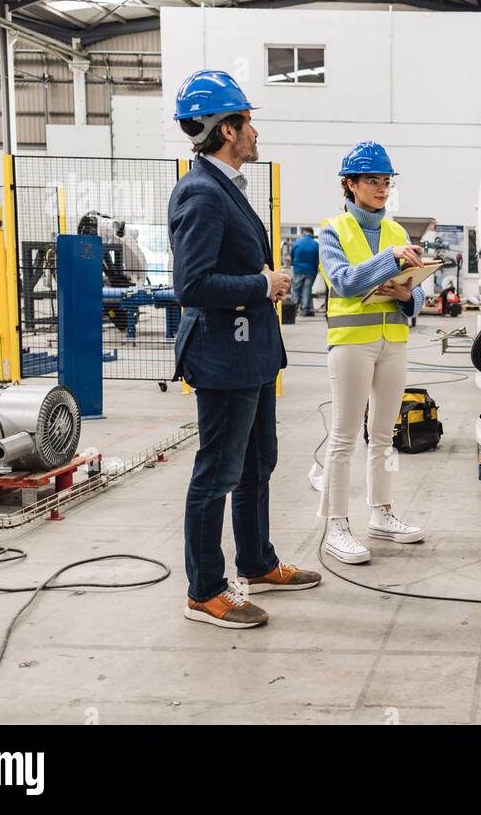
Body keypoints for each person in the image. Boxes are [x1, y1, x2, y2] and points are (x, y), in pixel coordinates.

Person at [169, 69, 321, 629]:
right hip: (222, 357)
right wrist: (265, 284)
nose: (255, 131)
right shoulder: (202, 193)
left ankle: (256, 563)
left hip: (252, 353)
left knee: (258, 463)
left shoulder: (226, 187)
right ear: (228, 129)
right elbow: (191, 285)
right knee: (217, 473)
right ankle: (205, 590)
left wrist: (260, 279)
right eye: (248, 121)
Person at [316, 141, 427, 564]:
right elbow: (343, 282)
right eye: (372, 181)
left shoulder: (398, 233)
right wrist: (388, 261)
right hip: (351, 344)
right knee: (344, 438)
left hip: (394, 341)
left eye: (386, 181)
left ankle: (381, 513)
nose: (381, 188)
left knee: (384, 437)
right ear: (350, 184)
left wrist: (404, 293)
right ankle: (336, 524)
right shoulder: (332, 229)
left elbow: (416, 296)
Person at [291, 229, 319, 315]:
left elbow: (292, 253)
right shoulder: (316, 244)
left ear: (304, 233)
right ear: (312, 234)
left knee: (296, 289)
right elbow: (319, 257)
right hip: (311, 270)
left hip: (298, 269)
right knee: (307, 290)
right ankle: (305, 310)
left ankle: (293, 310)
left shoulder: (297, 242)